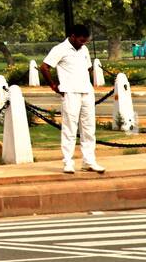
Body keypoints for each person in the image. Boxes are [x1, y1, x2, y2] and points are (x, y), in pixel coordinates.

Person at [40, 22, 105, 175]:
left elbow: (88, 68)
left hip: (87, 92)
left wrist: (85, 82)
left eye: (85, 41)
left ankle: (89, 161)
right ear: (73, 36)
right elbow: (44, 67)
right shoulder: (60, 49)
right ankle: (68, 162)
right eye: (81, 40)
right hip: (70, 93)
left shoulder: (84, 49)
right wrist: (54, 86)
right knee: (70, 128)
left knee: (89, 129)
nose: (83, 43)